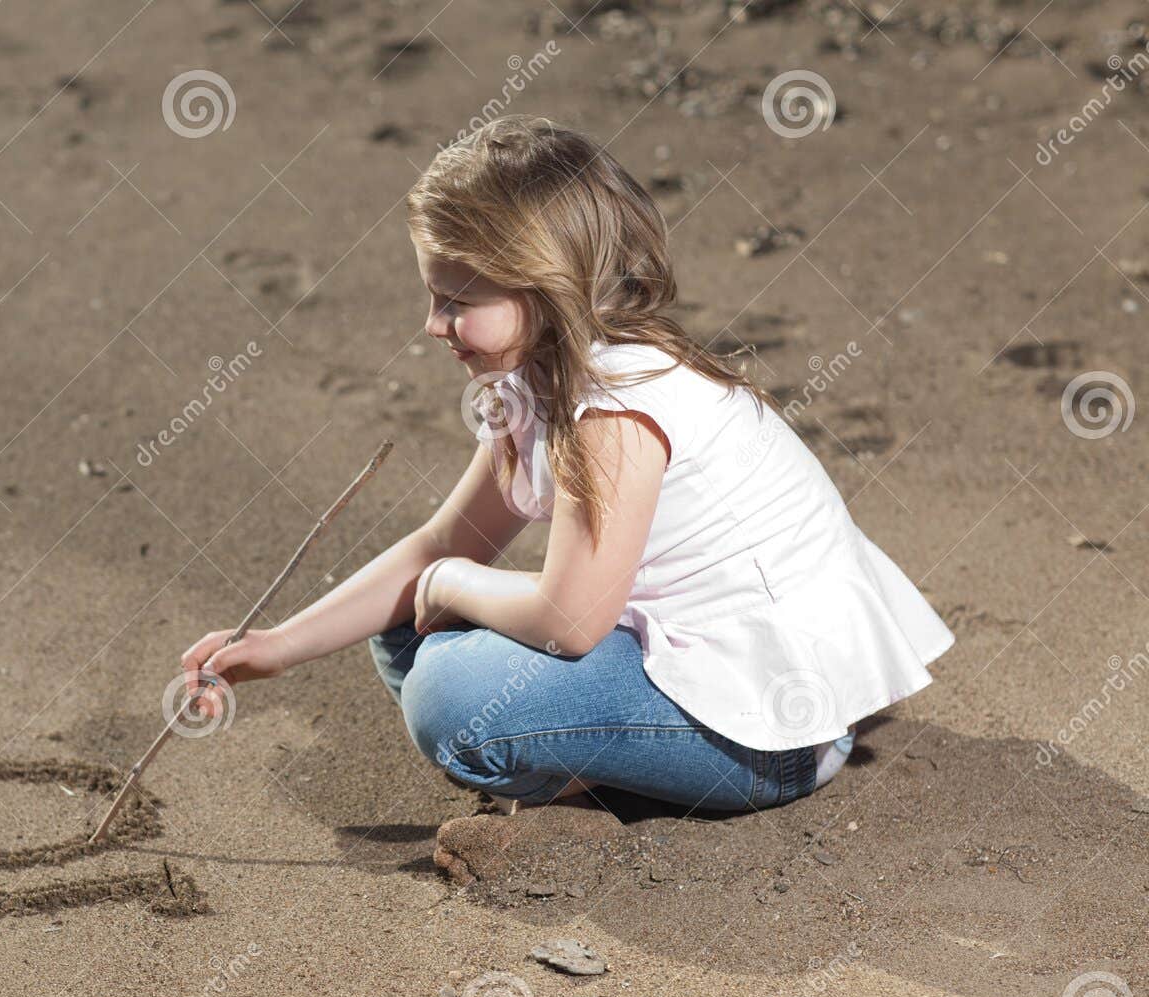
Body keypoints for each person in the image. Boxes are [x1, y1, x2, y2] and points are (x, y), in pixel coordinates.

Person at [179, 116, 952, 865]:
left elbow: (571, 622)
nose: (431, 324)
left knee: (447, 688)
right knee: (404, 619)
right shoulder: (542, 383)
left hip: (772, 734)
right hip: (678, 656)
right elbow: (440, 544)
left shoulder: (614, 406)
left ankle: (571, 794)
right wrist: (274, 647)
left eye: (456, 301)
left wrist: (453, 581)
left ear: (543, 287)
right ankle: (577, 786)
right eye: (432, 296)